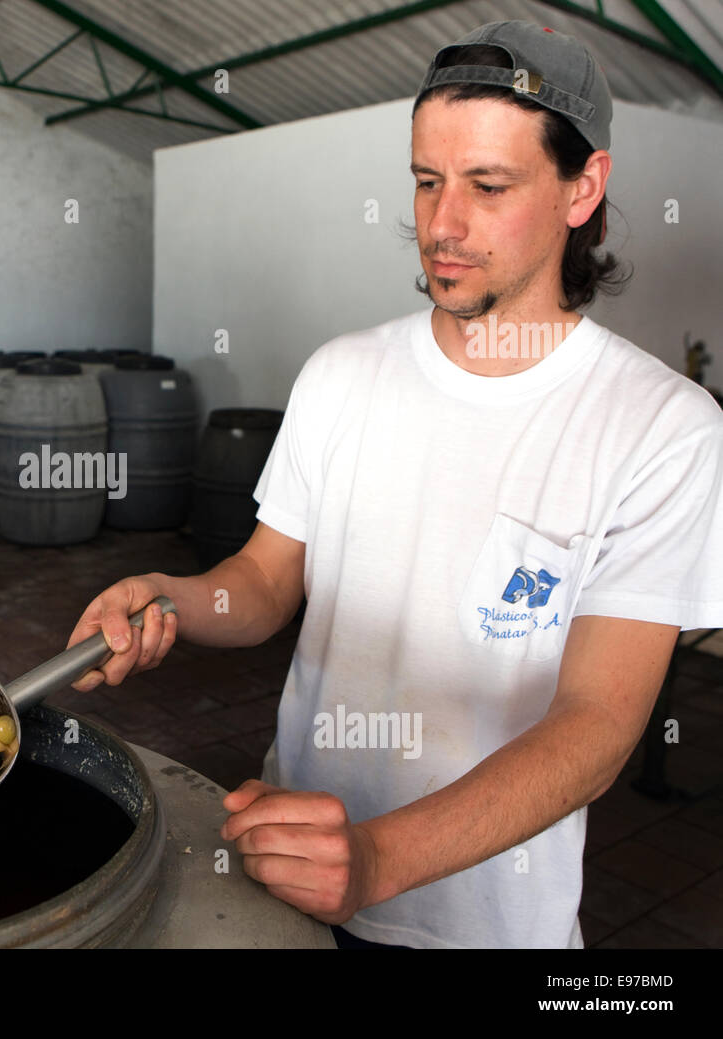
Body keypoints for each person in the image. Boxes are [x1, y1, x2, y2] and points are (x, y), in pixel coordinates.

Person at [64, 21, 723, 949]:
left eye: (488, 186)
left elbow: (598, 723)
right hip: (283, 879)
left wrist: (377, 859)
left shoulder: (662, 427)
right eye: (425, 180)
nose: (441, 225)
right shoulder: (343, 373)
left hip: (486, 925)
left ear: (584, 189)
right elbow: (261, 585)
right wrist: (169, 596)